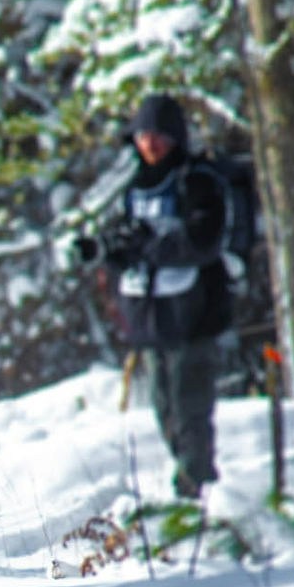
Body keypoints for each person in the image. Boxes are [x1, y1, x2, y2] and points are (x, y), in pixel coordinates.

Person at [97, 94, 232, 500]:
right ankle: (192, 484)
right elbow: (118, 246)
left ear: (176, 138)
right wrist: (113, 250)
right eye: (143, 135)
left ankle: (197, 488)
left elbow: (204, 240)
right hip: (149, 320)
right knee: (164, 408)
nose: (151, 144)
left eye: (159, 135)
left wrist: (151, 245)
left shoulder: (197, 180)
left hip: (194, 316)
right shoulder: (130, 186)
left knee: (190, 405)